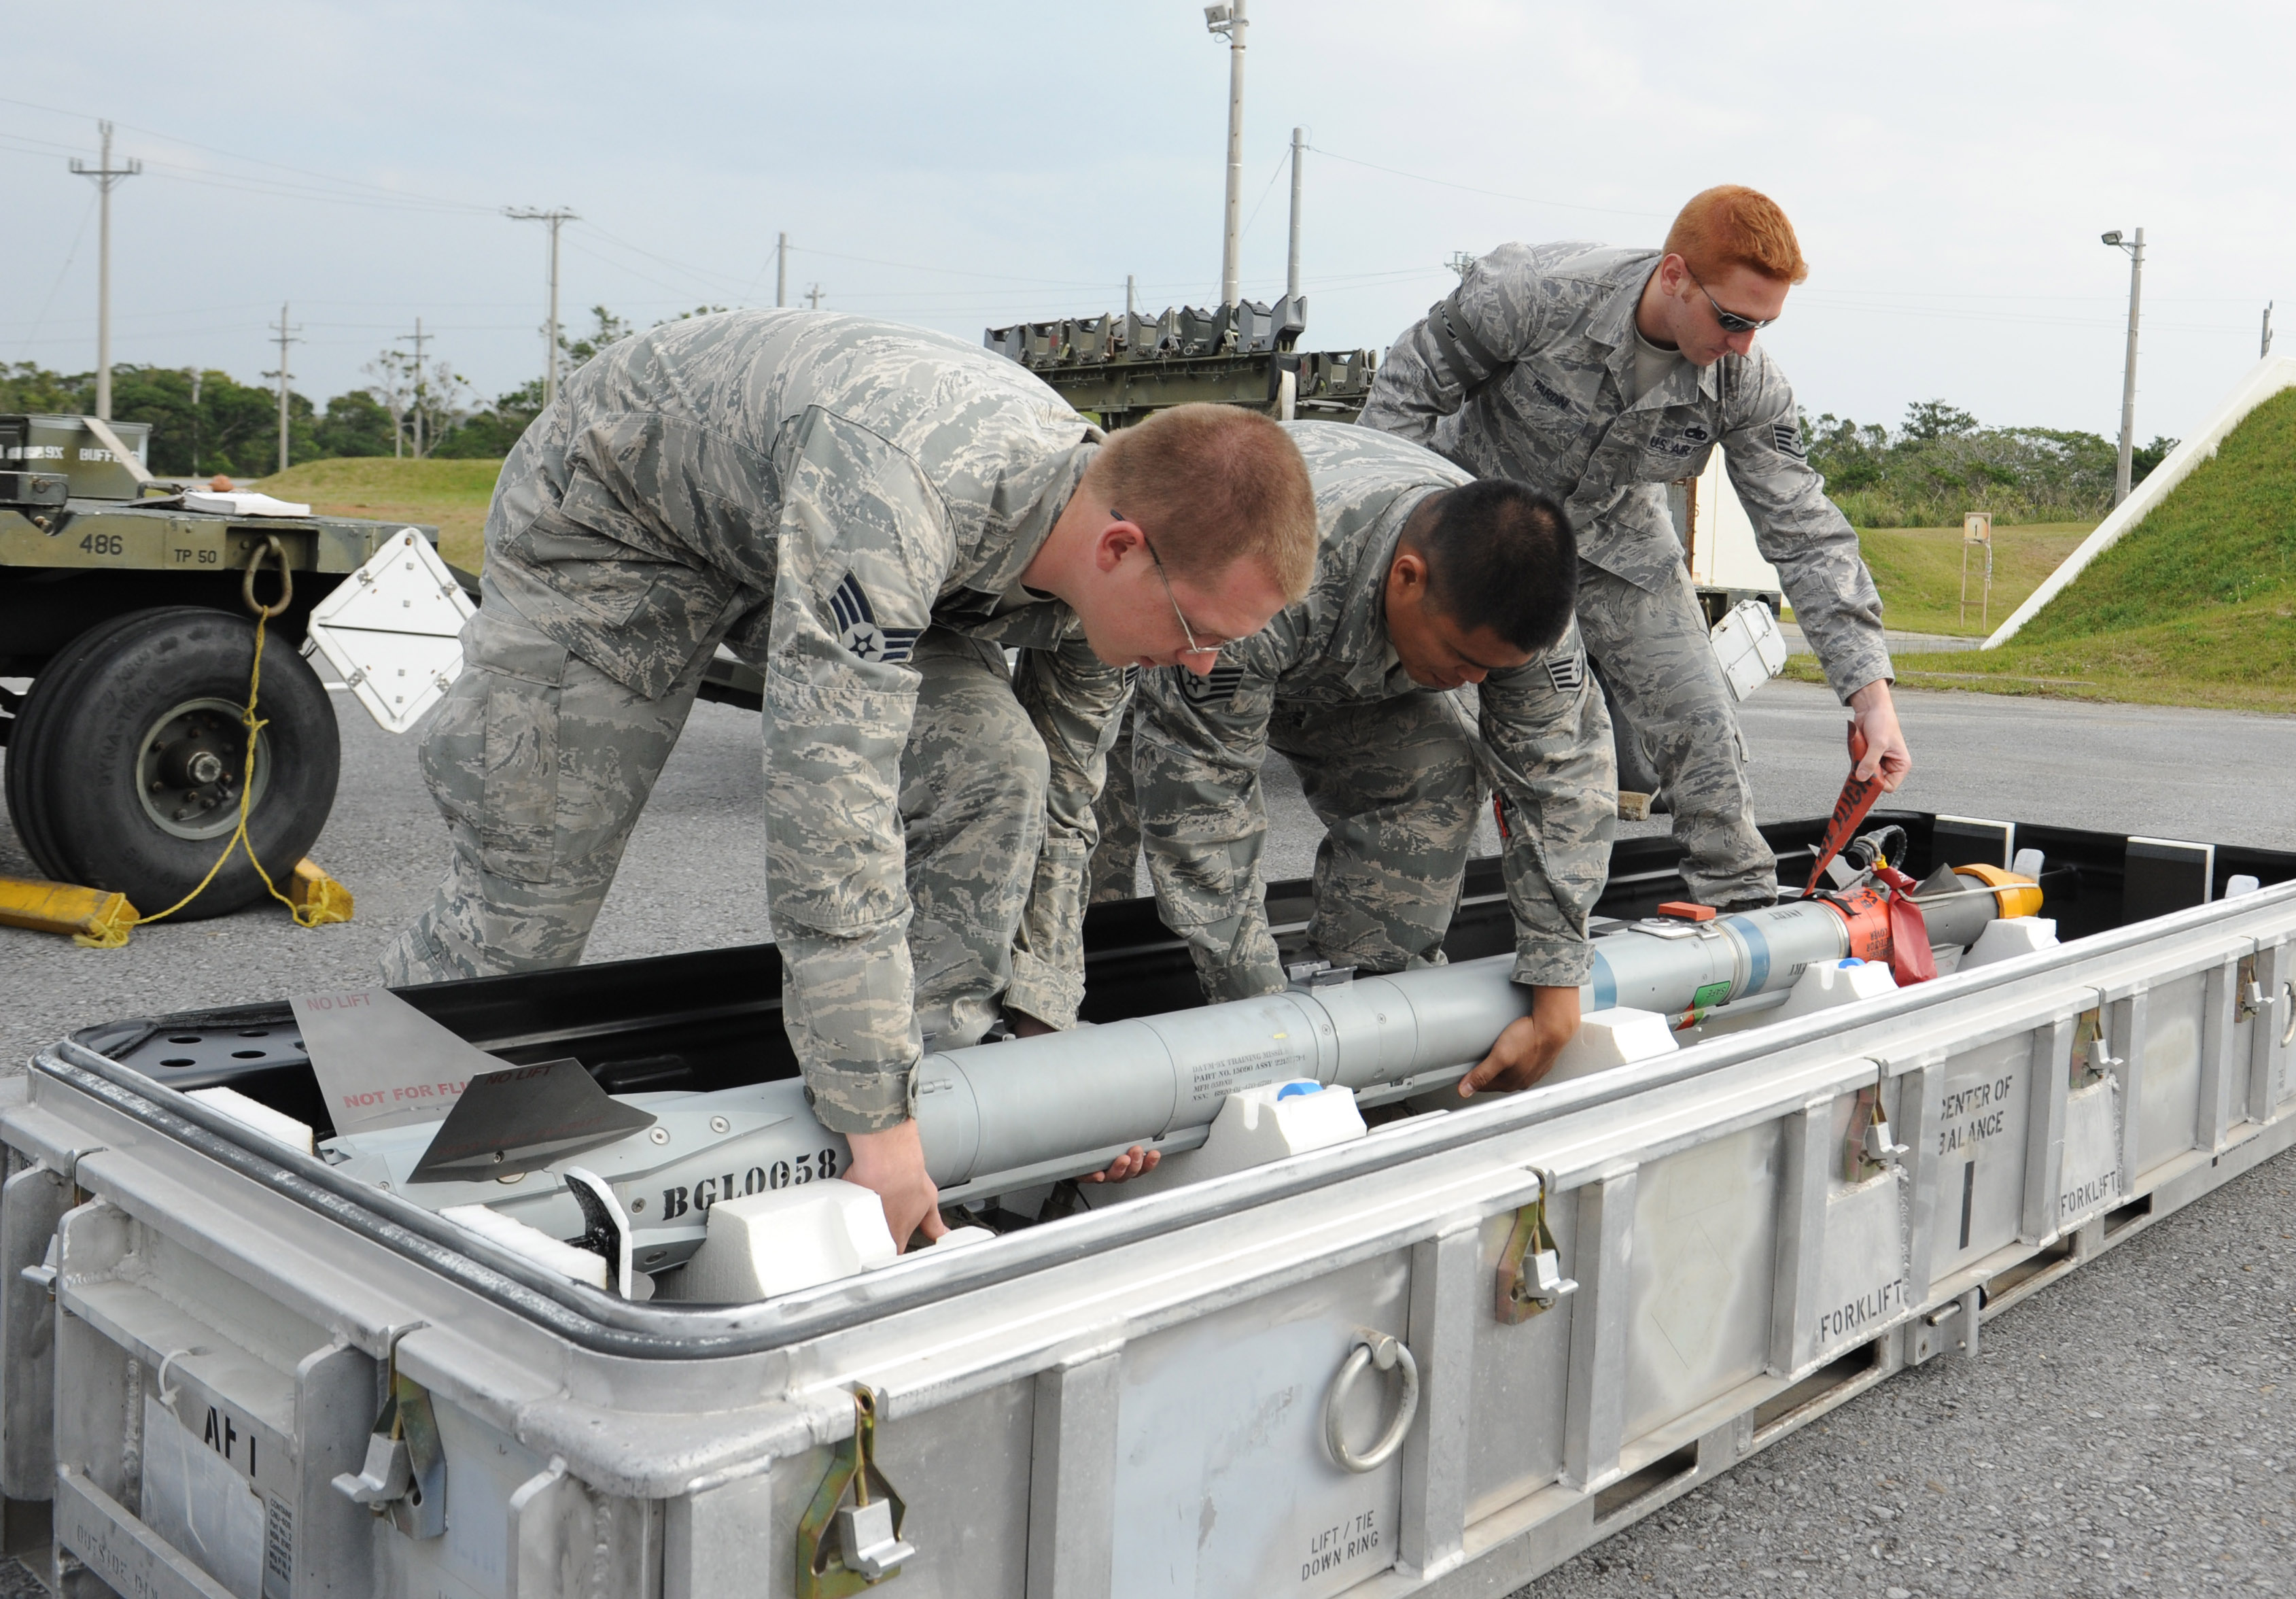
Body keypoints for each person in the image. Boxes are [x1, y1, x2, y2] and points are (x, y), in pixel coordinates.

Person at [379, 311, 1316, 1246]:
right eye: (1201, 636)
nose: (1203, 669)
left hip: (804, 530)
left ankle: (941, 1107)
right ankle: (374, 1139)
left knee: (1001, 769)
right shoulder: (900, 490)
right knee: (533, 890)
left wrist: (1044, 1035)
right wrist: (871, 1111)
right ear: (1119, 552)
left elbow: (1069, 805)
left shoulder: (1108, 557)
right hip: (625, 521)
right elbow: (831, 801)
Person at [1359, 185, 1909, 910]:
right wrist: (1394, 556)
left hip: (1616, 544)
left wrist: (1871, 697)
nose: (1744, 345)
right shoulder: (1534, 294)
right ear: (1675, 275)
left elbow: (1803, 528)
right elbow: (1399, 403)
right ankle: (1419, 942)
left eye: (1763, 325)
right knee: (1478, 757)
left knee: (1703, 727)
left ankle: (1740, 917)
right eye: (1734, 319)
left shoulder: (1744, 378)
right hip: (1484, 536)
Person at [1118, 421, 1614, 1097]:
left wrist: (1559, 977)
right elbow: (1201, 799)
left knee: (1436, 769)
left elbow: (1562, 779)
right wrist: (1265, 1022)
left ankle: (1373, 1017)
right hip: (1165, 640)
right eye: (1463, 659)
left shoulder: (1520, 600)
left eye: (1490, 672)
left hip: (1353, 663)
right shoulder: (1263, 570)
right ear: (1409, 579)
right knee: (1094, 844)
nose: (1473, 683)